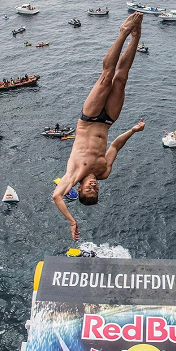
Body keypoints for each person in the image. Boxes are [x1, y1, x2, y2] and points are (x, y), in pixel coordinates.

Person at [53, 13, 145, 240]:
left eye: (88, 189)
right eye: (95, 189)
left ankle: (123, 31)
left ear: (80, 188)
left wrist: (72, 221)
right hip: (107, 121)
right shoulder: (104, 171)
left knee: (106, 76)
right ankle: (136, 34)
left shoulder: (74, 174)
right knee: (122, 78)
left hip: (89, 118)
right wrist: (132, 131)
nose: (93, 185)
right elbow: (114, 146)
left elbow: (56, 197)